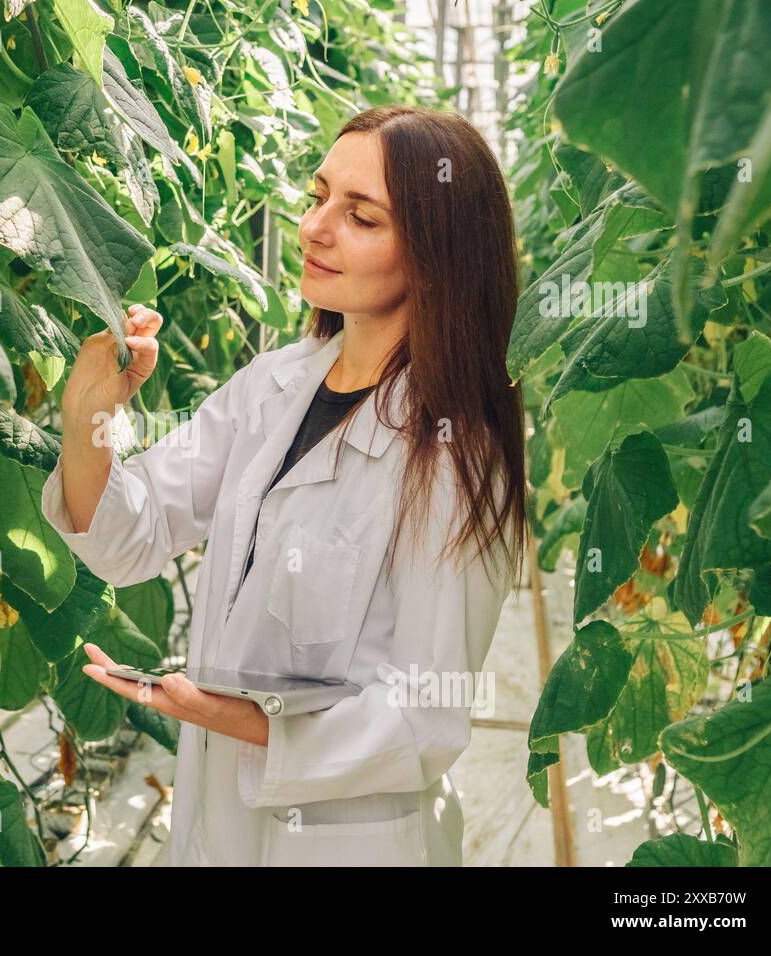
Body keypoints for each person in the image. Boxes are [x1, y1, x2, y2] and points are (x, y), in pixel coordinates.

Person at [39, 105, 527, 866]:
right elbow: (128, 537)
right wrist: (87, 417)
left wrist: (241, 719)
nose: (314, 227)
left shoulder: (455, 451)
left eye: (360, 216)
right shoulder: (274, 382)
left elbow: (428, 717)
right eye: (318, 196)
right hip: (215, 818)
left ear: (439, 253)